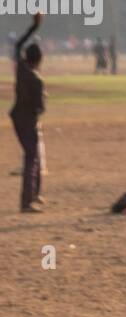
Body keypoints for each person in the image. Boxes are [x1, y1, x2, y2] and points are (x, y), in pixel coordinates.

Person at [10, 13, 45, 213]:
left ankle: (35, 194)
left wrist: (33, 27)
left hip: (17, 116)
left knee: (34, 155)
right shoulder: (37, 80)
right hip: (28, 120)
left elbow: (17, 46)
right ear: (38, 60)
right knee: (31, 156)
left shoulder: (21, 70)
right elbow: (40, 107)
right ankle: (26, 202)